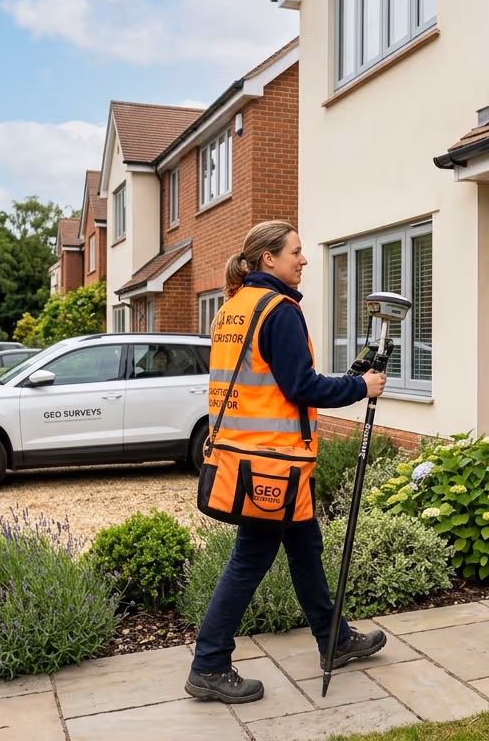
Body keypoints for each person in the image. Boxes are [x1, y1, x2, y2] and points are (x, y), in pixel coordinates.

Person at [185, 220, 388, 705]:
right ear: (267, 259)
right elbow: (301, 387)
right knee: (250, 558)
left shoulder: (232, 308)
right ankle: (208, 664)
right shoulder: (279, 310)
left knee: (305, 546)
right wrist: (361, 388)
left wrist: (345, 376)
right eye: (295, 252)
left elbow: (276, 382)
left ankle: (334, 640)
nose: (303, 259)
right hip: (272, 464)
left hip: (248, 456)